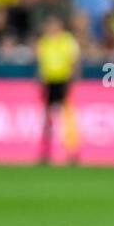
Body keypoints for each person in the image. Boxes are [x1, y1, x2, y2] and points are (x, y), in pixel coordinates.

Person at [35, 14, 81, 164]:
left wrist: (73, 79)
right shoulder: (44, 42)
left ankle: (72, 152)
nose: (52, 29)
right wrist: (40, 80)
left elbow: (74, 61)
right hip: (49, 82)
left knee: (67, 118)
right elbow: (41, 64)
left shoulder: (67, 41)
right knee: (47, 119)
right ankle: (45, 152)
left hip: (63, 81)